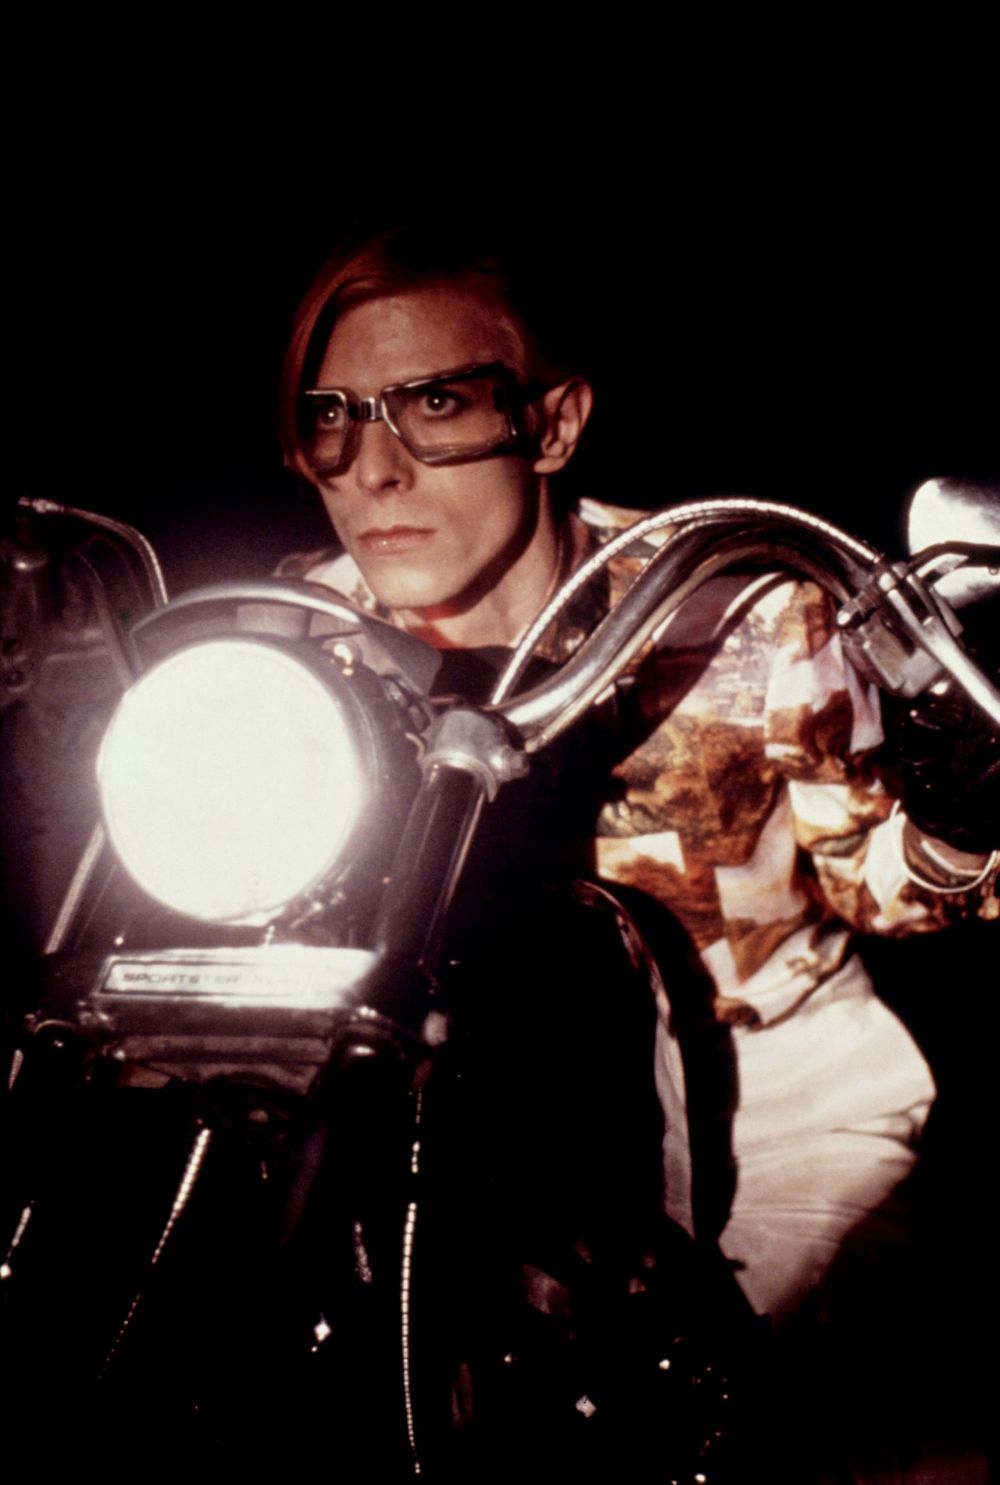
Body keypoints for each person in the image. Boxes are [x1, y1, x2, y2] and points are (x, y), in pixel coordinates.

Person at [277, 224, 998, 1336]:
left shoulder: (738, 614)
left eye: (436, 405)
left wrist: (961, 805)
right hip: (462, 1141)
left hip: (769, 1129)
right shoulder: (296, 643)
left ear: (551, 423)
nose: (373, 471)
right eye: (332, 416)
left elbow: (880, 888)